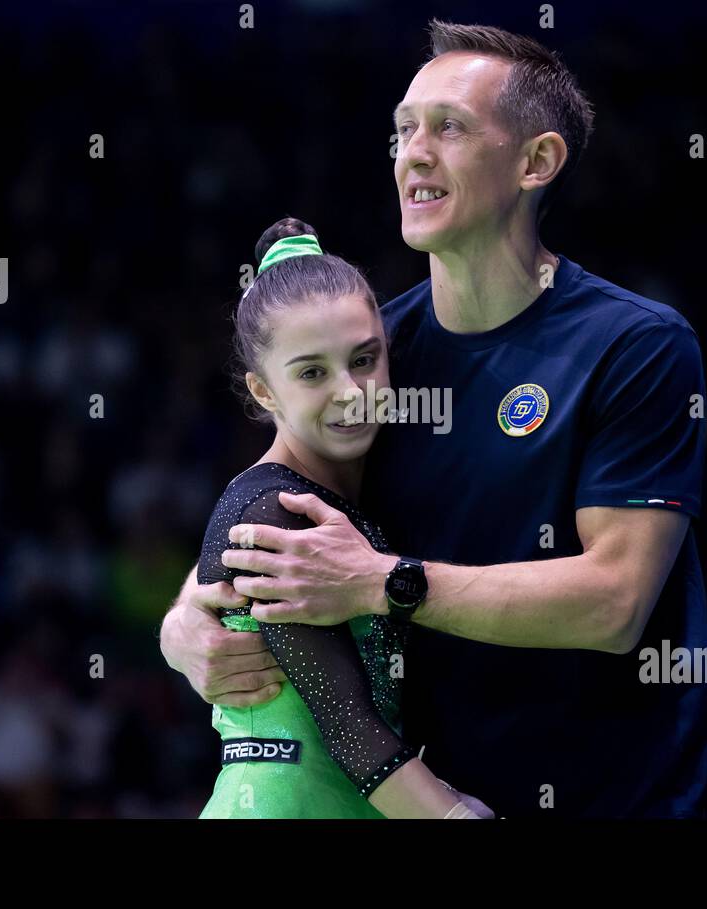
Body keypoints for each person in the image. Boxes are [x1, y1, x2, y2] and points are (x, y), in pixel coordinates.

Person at [164, 19, 707, 818]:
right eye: (402, 130)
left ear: (537, 161)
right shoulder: (375, 353)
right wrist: (186, 618)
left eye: (449, 128)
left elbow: (615, 602)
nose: (412, 153)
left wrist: (386, 583)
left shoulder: (634, 348)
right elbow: (269, 501)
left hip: (618, 799)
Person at [194, 217, 493, 819]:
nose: (352, 391)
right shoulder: (271, 510)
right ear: (263, 392)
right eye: (312, 373)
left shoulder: (343, 493)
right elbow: (349, 726)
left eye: (365, 359)